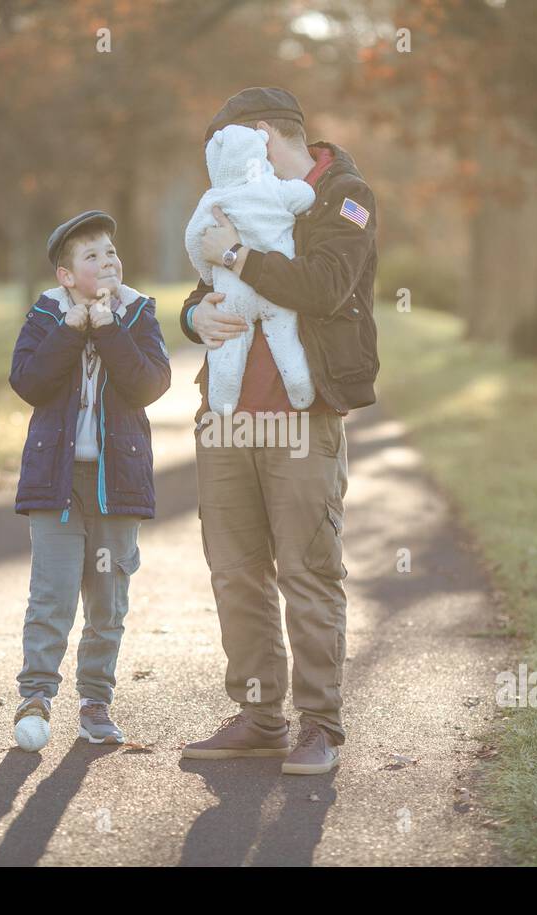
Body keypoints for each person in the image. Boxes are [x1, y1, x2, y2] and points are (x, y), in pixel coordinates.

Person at [178, 88, 380, 775]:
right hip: (226, 418)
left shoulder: (343, 196)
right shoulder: (236, 193)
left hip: (303, 418)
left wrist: (236, 257)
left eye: (225, 144)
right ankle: (259, 717)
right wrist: (191, 320)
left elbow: (325, 287)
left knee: (307, 570)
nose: (218, 161)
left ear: (262, 135)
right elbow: (206, 275)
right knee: (236, 573)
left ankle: (319, 723)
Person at [8, 210, 170, 750]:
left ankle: (95, 700)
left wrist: (106, 325)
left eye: (111, 252)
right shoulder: (45, 317)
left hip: (116, 482)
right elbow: (28, 381)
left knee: (108, 601)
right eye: (92, 256)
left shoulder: (138, 314)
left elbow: (149, 383)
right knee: (51, 595)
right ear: (66, 276)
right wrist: (73, 327)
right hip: (56, 482)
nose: (107, 261)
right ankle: (36, 697)